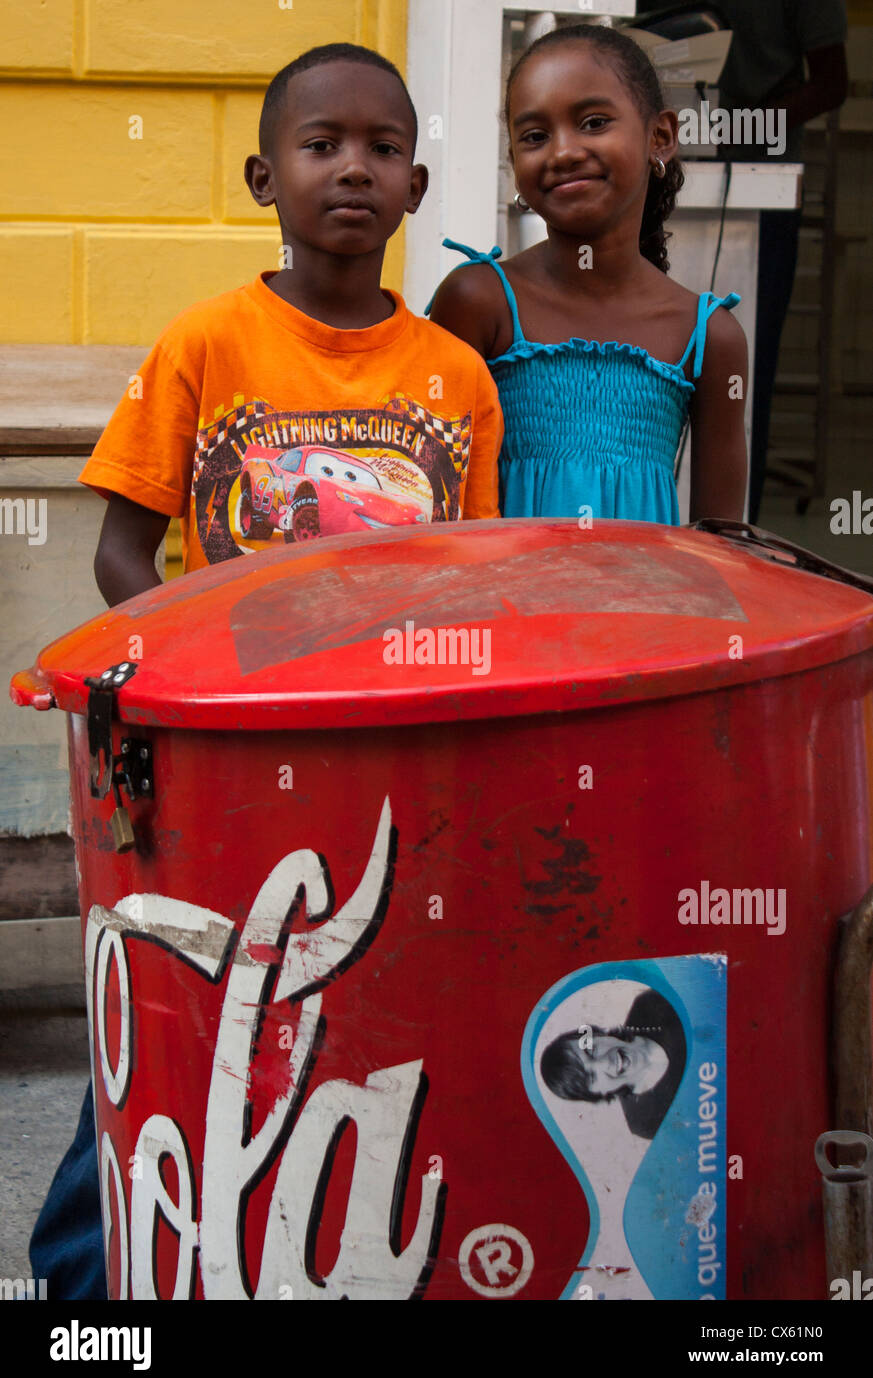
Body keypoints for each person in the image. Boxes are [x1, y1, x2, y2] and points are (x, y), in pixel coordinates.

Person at [31, 41, 502, 1299]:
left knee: (365, 1008)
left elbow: (475, 576)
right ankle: (82, 1283)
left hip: (392, 752)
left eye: (384, 149)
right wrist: (209, 678)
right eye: (321, 144)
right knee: (183, 1005)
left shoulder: (455, 377)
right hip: (229, 755)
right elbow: (122, 554)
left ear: (415, 187)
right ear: (263, 178)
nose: (354, 169)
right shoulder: (206, 342)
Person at [428, 22, 748, 526]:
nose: (563, 152)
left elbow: (723, 543)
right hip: (503, 582)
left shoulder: (709, 336)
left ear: (660, 137)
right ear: (514, 162)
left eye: (594, 123)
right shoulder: (477, 302)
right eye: (535, 136)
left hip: (642, 582)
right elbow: (434, 507)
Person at [713, 0, 849, 523]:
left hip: (762, 185)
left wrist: (742, 129)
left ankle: (737, 527)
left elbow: (832, 81)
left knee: (749, 367)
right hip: (677, 173)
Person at [540, 988, 687, 1141]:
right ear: (599, 1094)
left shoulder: (649, 1004)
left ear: (597, 1034)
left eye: (591, 1050)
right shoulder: (645, 1122)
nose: (605, 1062)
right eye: (592, 1077)